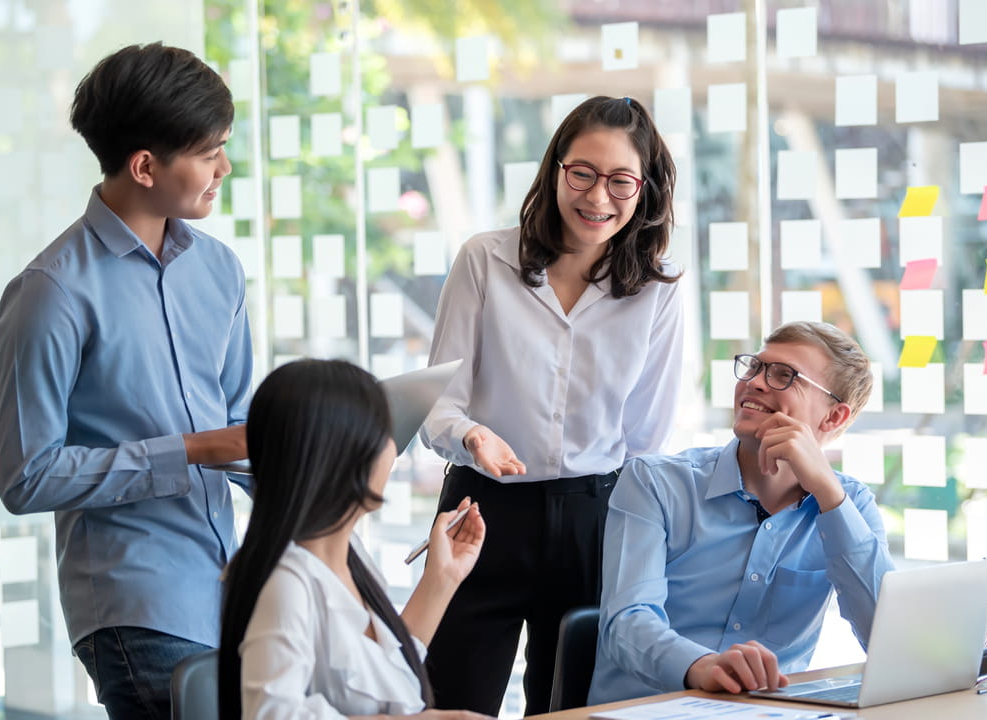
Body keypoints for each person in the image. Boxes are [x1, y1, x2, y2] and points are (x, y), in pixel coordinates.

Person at [0, 43, 251, 719]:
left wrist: (328, 456)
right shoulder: (51, 292)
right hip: (134, 606)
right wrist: (192, 450)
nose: (225, 167)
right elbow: (28, 476)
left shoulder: (219, 270)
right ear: (144, 166)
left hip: (227, 591)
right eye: (210, 151)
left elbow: (240, 427)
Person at [420, 95, 684, 715]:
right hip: (481, 510)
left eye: (620, 180)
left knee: (570, 708)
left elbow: (648, 437)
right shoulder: (486, 259)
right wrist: (473, 438)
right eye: (582, 174)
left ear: (643, 189)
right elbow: (438, 406)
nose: (598, 197)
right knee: (454, 702)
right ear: (555, 170)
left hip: (597, 518)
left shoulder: (656, 286)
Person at [589, 321, 895, 704]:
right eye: (755, 367)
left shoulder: (850, 505)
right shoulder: (655, 483)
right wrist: (702, 667)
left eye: (784, 376)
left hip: (772, 712)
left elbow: (888, 640)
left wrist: (828, 493)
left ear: (833, 418)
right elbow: (626, 622)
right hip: (647, 709)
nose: (756, 383)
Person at [218, 359, 489, 720]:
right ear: (338, 456)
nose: (393, 448)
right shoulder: (286, 583)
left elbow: (389, 677)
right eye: (382, 434)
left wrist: (442, 578)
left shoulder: (351, 557)